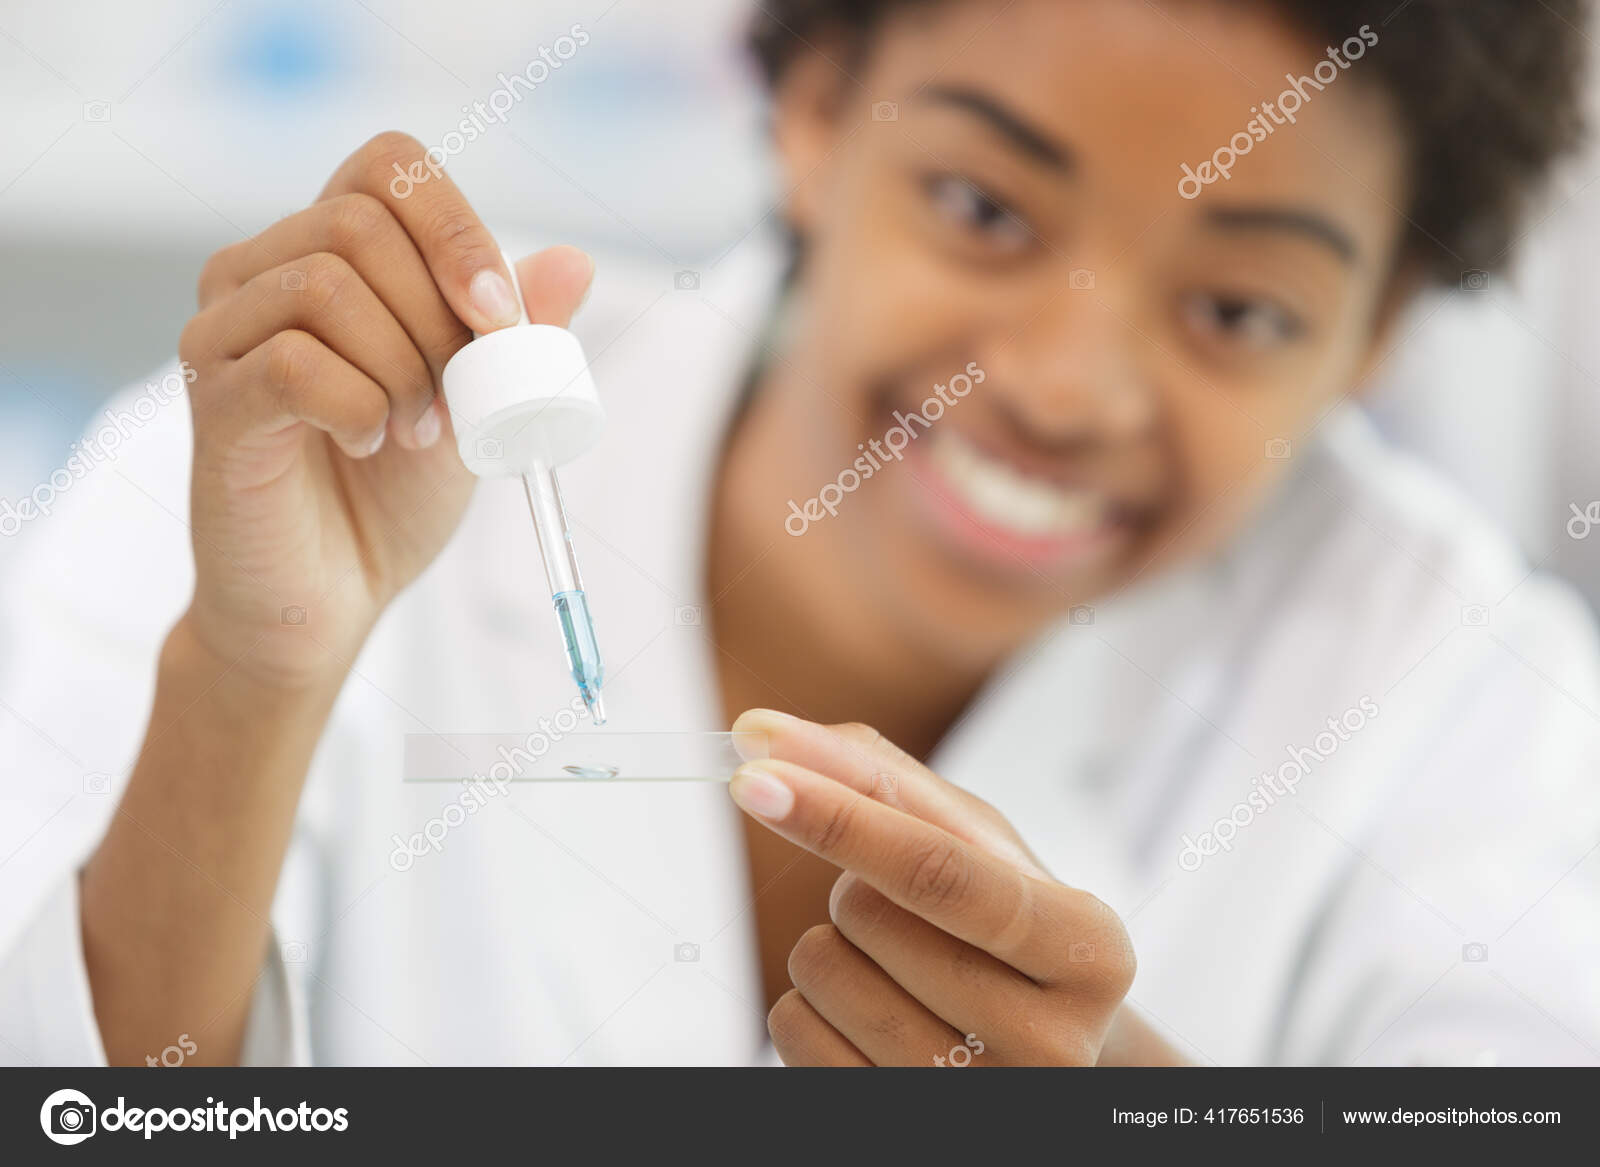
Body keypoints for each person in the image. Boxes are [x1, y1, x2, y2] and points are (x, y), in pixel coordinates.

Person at [3, 0, 1598, 1067]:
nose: (1059, 385)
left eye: (1239, 308)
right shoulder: (278, 482)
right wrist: (250, 676)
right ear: (818, 112)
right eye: (984, 210)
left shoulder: (1469, 698)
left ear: (1381, 328)